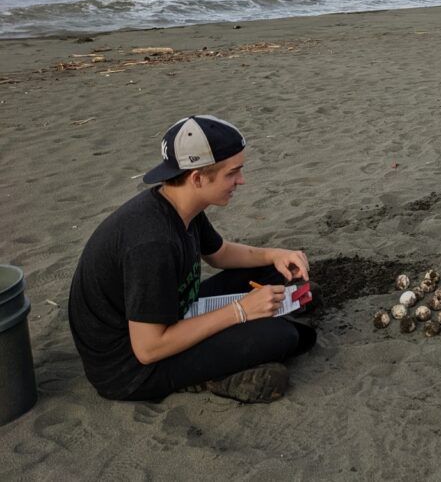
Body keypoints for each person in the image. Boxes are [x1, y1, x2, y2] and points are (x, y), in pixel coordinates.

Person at [68, 115, 317, 404]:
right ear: (197, 178)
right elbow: (148, 348)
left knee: (274, 272)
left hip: (172, 312)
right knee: (284, 336)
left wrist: (276, 255)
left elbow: (220, 254)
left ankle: (272, 310)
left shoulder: (179, 205)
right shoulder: (152, 243)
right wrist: (241, 311)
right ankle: (213, 379)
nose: (241, 180)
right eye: (233, 173)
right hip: (133, 370)